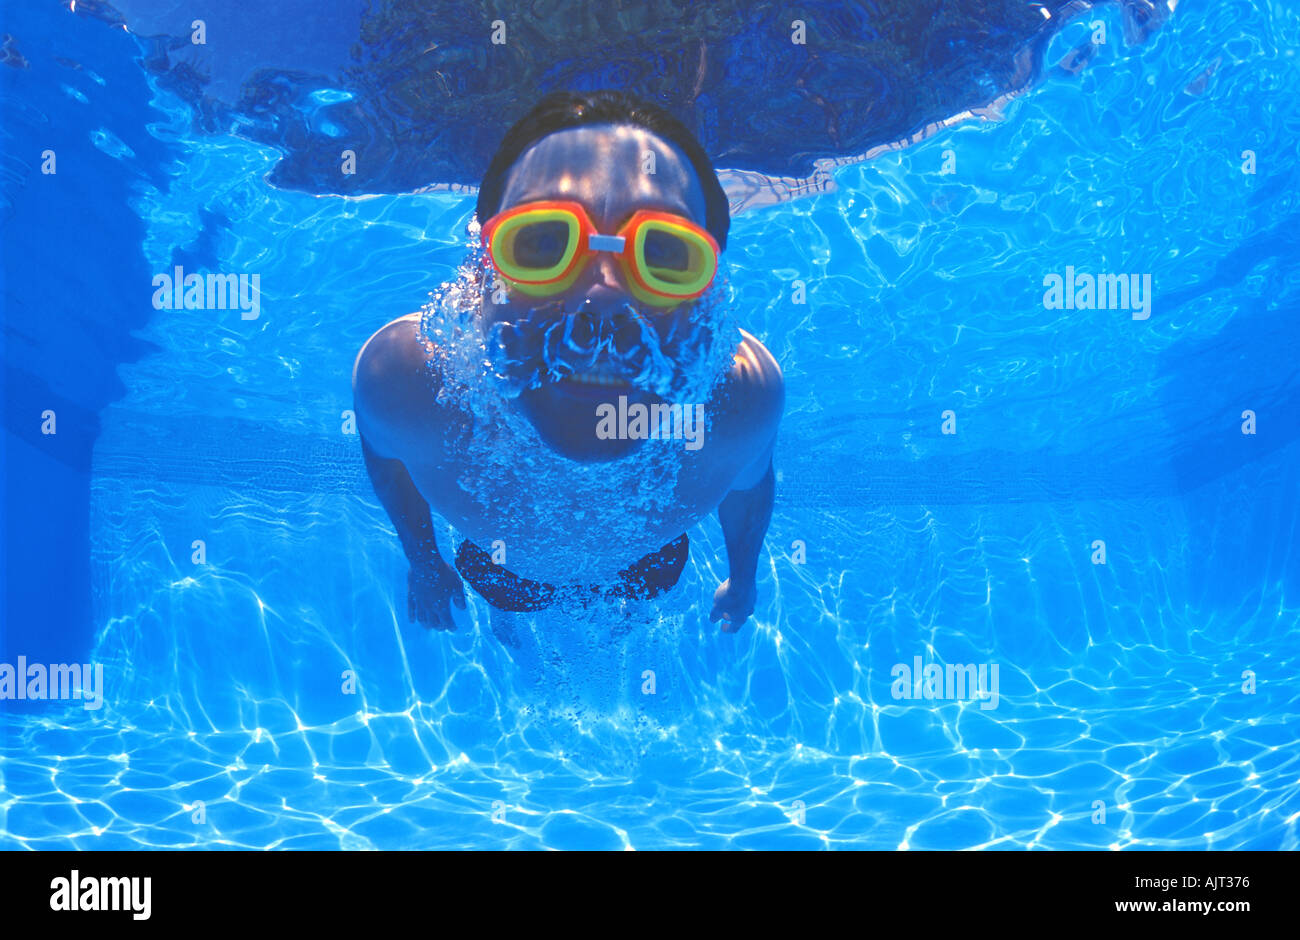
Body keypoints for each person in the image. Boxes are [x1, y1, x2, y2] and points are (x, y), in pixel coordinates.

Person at [353, 90, 783, 638]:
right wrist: (424, 563)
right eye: (541, 244)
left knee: (630, 614)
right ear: (481, 269)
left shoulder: (745, 398)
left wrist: (743, 579)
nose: (603, 296)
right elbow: (388, 461)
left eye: (665, 255)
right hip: (503, 568)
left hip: (645, 567)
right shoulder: (400, 376)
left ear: (709, 292)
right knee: (509, 607)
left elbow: (749, 485)